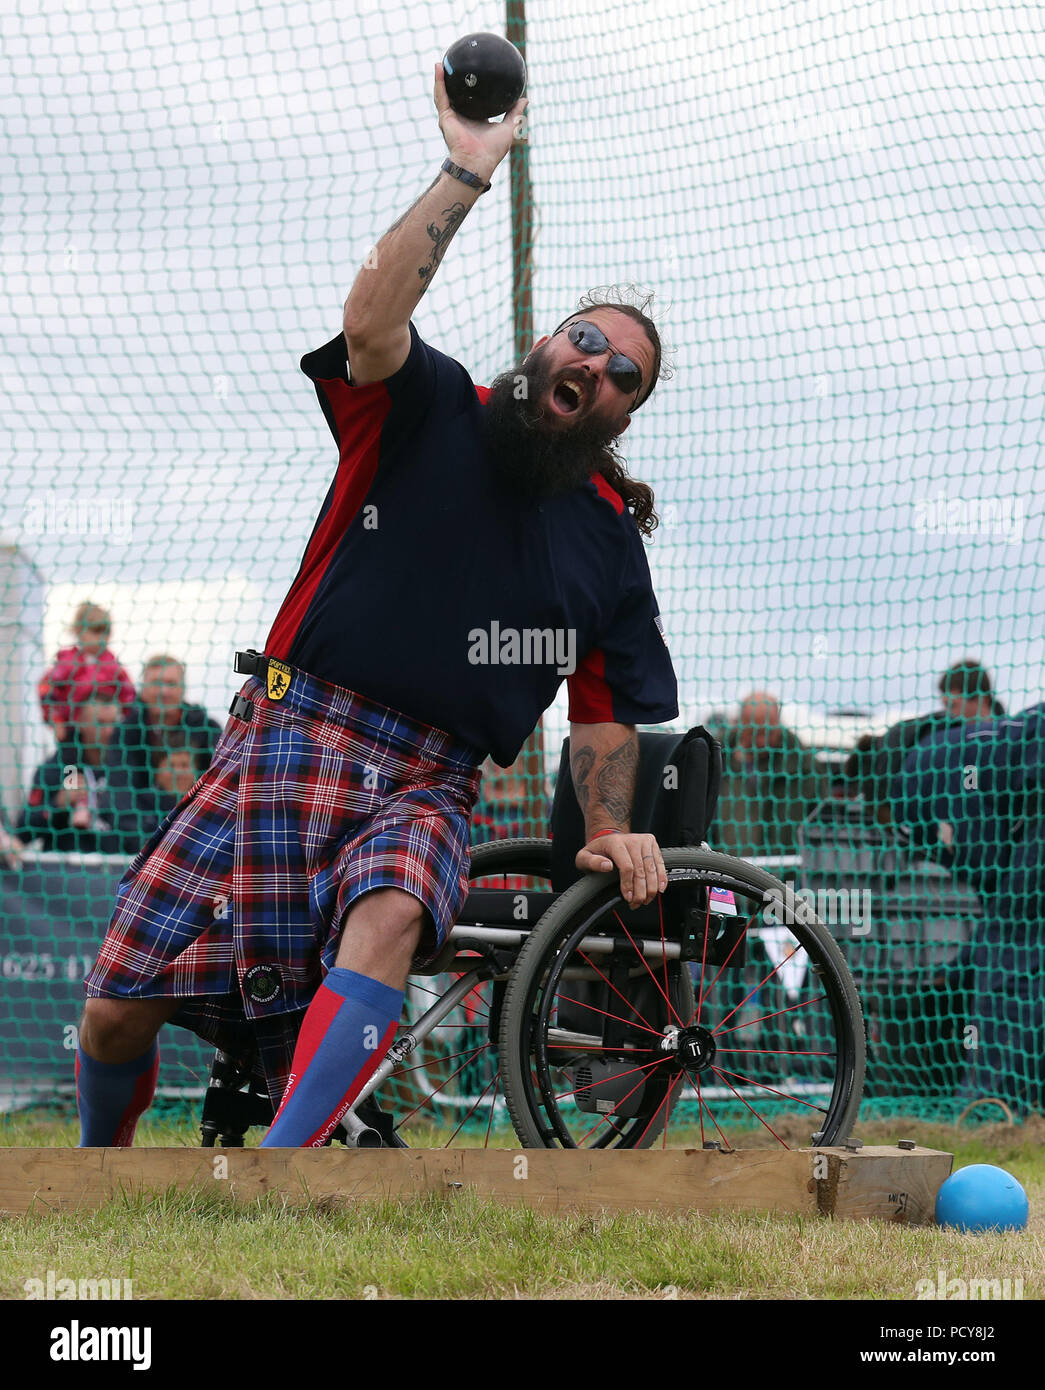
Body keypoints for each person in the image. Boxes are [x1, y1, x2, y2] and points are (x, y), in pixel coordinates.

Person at [75, 63, 680, 1150]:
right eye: (584, 340)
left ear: (623, 414)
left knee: (396, 904)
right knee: (118, 1010)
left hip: (429, 777)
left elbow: (604, 712)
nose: (598, 363)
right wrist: (465, 170)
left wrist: (605, 828)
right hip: (290, 730)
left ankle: (283, 1170)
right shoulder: (427, 407)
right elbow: (370, 318)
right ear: (546, 348)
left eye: (624, 371)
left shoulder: (606, 548)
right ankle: (92, 1172)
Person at [102, 655, 221, 853]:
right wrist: (144, 844)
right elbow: (119, 789)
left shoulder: (206, 730)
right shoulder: (126, 731)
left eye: (171, 684)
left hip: (197, 834)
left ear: (183, 688)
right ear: (143, 688)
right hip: (140, 837)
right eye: (156, 683)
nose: (163, 691)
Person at [711, 692, 829, 862]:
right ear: (739, 725)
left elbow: (821, 820)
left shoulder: (804, 766)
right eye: (755, 733)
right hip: (724, 875)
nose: (763, 741)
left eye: (769, 733)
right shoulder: (715, 762)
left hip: (785, 874)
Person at [17, 686, 123, 853]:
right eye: (100, 723)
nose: (109, 731)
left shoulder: (128, 767)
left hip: (115, 870)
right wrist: (58, 804)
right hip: (63, 871)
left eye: (113, 723)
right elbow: (22, 831)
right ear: (81, 723)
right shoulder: (61, 767)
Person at [37, 602, 135, 745]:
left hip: (108, 732)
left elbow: (128, 695)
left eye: (106, 632)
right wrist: (57, 721)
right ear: (79, 632)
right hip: (73, 731)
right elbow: (46, 689)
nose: (101, 638)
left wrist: (123, 719)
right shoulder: (68, 663)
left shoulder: (113, 666)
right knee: (70, 764)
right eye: (95, 632)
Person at [938, 659, 1005, 722]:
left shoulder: (1011, 732)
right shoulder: (945, 732)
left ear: (980, 699)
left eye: (952, 705)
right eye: (945, 706)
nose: (947, 714)